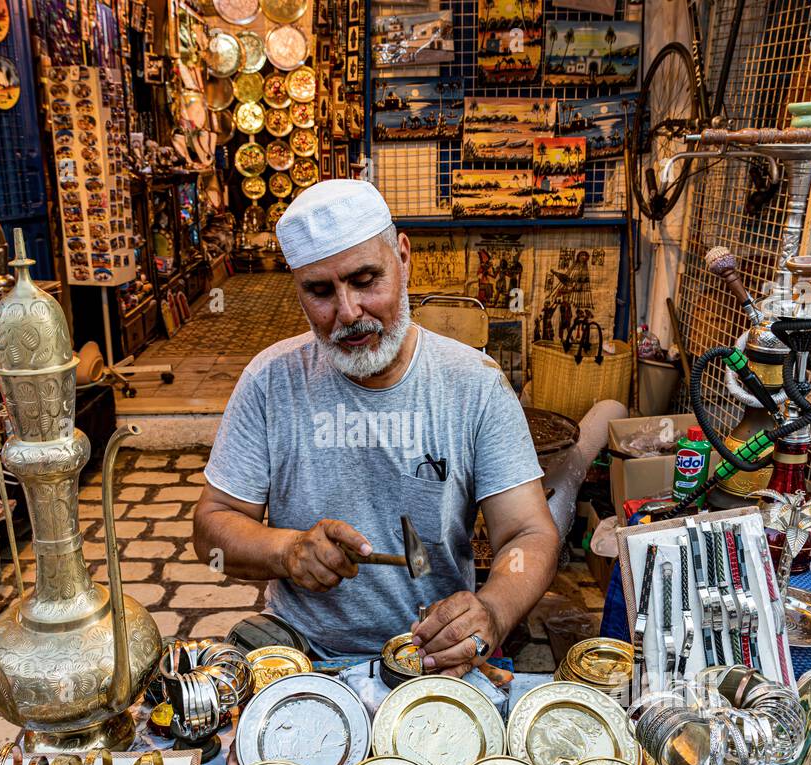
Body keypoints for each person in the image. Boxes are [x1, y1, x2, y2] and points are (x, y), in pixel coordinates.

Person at [193, 179, 558, 678]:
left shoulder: (475, 385)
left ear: (403, 258)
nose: (348, 312)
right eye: (320, 292)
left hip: (433, 653)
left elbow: (529, 533)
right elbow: (212, 530)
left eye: (366, 280)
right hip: (302, 650)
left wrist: (492, 609)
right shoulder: (269, 381)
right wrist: (286, 551)